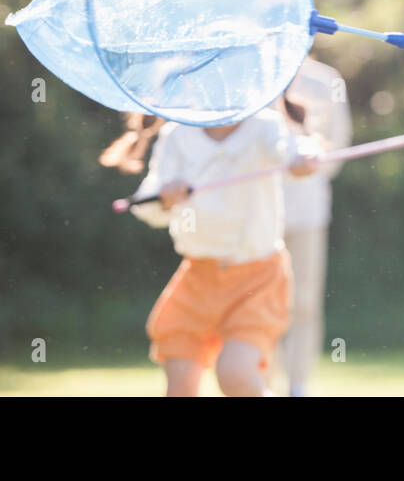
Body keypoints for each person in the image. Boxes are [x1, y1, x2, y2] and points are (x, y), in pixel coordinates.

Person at [128, 109, 322, 396]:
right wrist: (166, 199)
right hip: (197, 278)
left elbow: (290, 151)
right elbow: (148, 203)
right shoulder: (177, 136)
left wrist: (303, 159)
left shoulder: (264, 126)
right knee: (180, 385)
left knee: (236, 375)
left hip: (258, 277)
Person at [268, 57, 351, 397]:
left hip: (307, 211)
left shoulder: (326, 79)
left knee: (303, 301)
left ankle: (298, 383)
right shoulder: (253, 72)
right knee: (257, 298)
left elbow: (339, 143)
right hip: (257, 212)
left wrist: (309, 171)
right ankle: (261, 380)